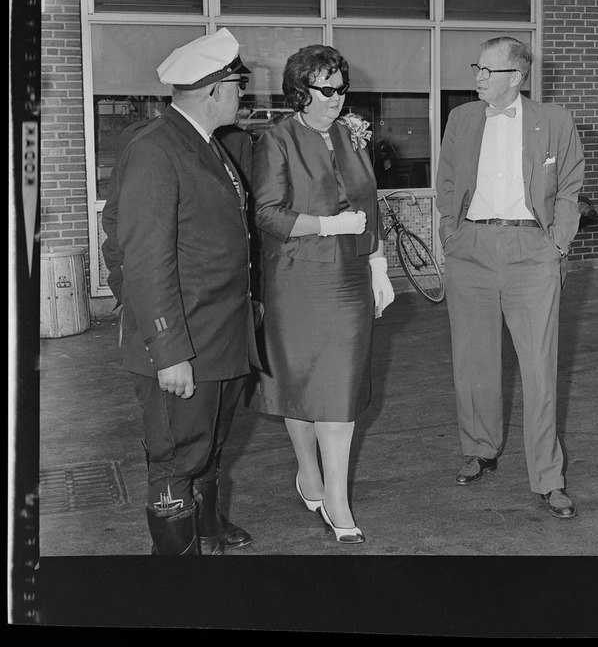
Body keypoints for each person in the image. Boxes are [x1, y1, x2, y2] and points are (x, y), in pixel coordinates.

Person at [101, 28, 262, 554]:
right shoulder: (156, 149)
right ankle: (176, 567)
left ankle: (208, 529)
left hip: (218, 335)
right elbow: (143, 257)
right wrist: (166, 350)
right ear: (214, 90)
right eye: (238, 84)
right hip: (181, 344)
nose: (244, 94)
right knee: (176, 455)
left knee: (210, 442)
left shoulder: (204, 144)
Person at [435, 36, 585, 519]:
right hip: (471, 249)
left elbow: (569, 185)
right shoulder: (461, 119)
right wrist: (452, 236)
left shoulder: (555, 121)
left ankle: (547, 477)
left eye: (488, 70)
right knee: (473, 360)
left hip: (531, 250)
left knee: (539, 368)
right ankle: (480, 449)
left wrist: (557, 244)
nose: (477, 76)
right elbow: (448, 183)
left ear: (517, 78)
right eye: (477, 66)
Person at [252, 44, 394, 544]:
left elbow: (370, 203)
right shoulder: (276, 140)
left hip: (349, 280)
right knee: (299, 383)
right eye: (326, 90)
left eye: (342, 88)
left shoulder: (352, 133)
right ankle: (306, 470)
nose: (337, 99)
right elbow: (267, 214)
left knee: (340, 386)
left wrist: (378, 263)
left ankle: (336, 496)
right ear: (300, 90)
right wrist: (329, 224)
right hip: (296, 279)